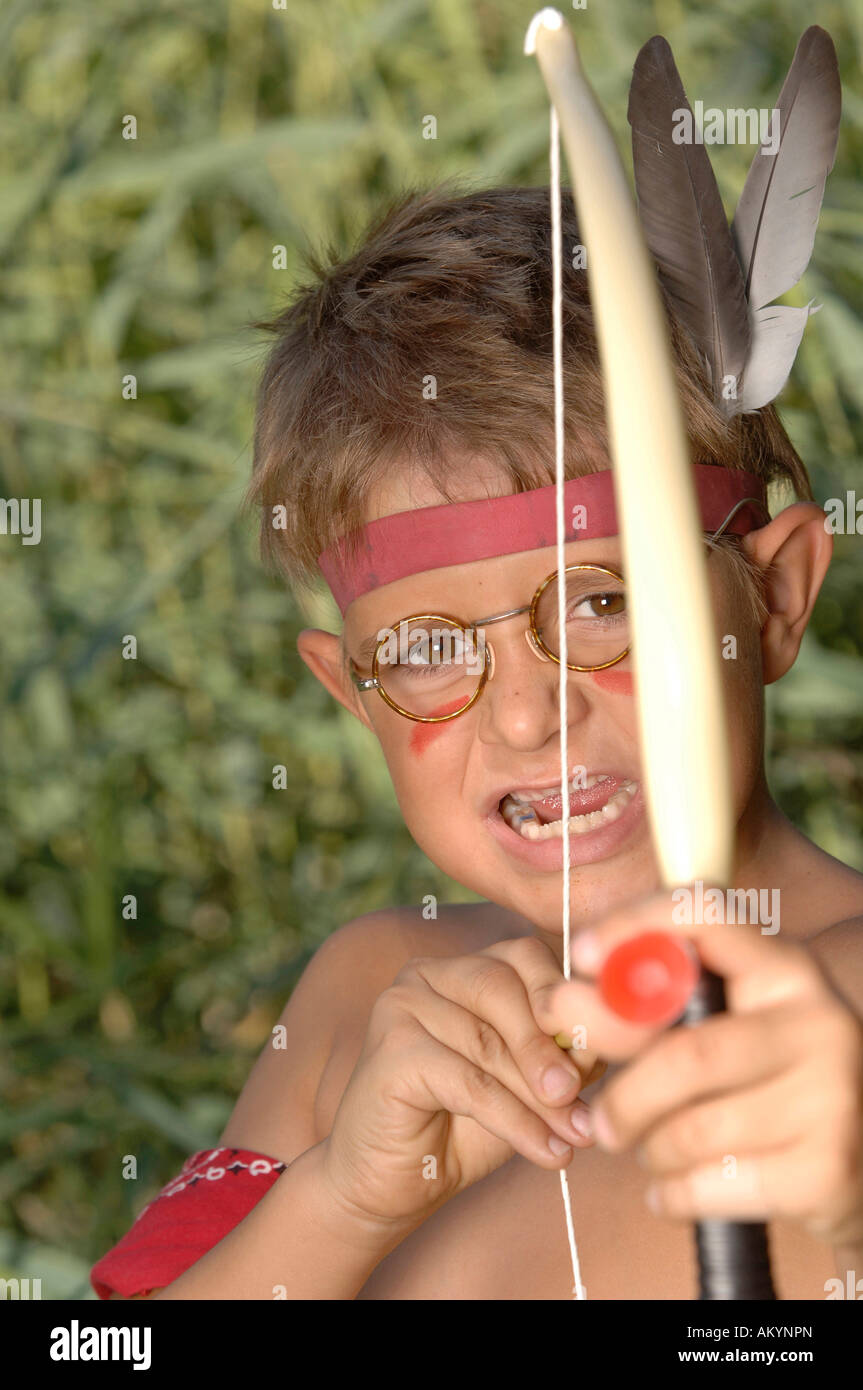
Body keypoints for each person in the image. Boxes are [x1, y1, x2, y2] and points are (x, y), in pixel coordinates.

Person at [92, 178, 863, 1301]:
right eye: (423, 646)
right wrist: (339, 1202)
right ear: (353, 694)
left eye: (605, 603)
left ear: (776, 597)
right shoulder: (366, 991)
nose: (522, 713)